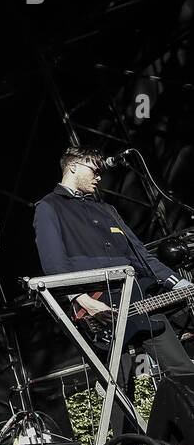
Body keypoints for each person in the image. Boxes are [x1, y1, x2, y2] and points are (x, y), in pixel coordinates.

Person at [33, 146, 192, 428]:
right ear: (74, 166)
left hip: (140, 298)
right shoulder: (48, 207)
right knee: (117, 387)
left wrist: (178, 282)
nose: (99, 178)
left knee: (182, 372)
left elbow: (142, 256)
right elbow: (54, 264)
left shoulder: (107, 209)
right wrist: (82, 299)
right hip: (100, 308)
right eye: (95, 171)